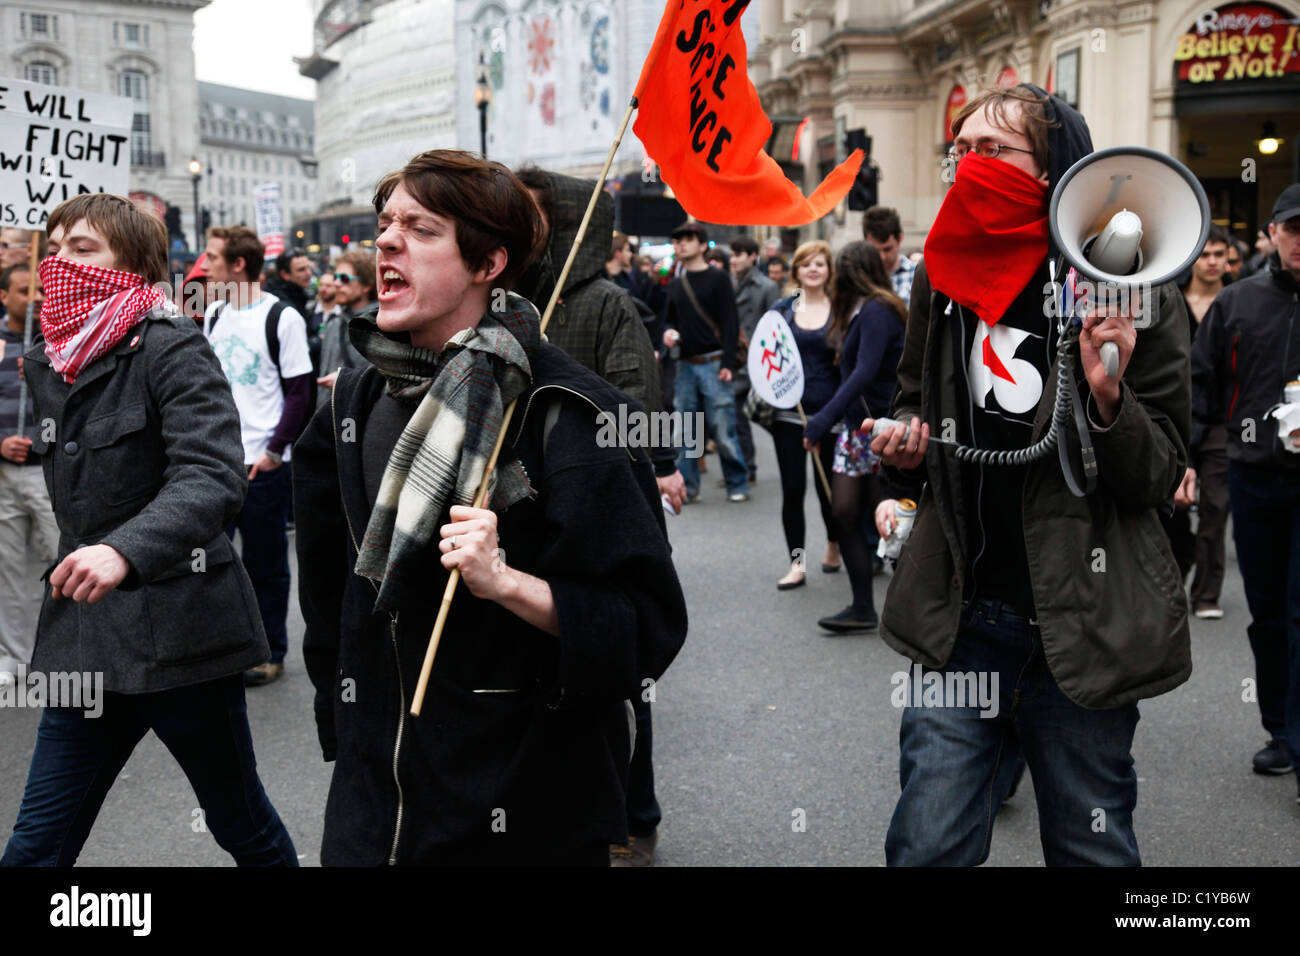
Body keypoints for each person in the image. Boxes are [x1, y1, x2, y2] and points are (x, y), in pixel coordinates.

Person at [293, 148, 687, 865]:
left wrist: (506, 583)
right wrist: (347, 722)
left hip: (523, 807)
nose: (386, 240)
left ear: (488, 264)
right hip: (373, 807)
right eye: (385, 224)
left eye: (420, 228)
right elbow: (330, 596)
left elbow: (646, 628)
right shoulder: (351, 401)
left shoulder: (574, 413)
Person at [872, 84, 1191, 866]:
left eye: (993, 152)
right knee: (926, 847)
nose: (970, 165)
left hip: (1082, 627)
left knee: (1092, 850)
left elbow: (1163, 470)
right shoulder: (940, 275)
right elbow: (916, 394)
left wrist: (1109, 394)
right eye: (962, 151)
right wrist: (906, 452)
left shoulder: (1132, 280)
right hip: (962, 618)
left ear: (1054, 171)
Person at [2, 194, 297, 866]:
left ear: (132, 265)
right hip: (84, 639)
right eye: (55, 248)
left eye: (84, 249)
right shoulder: (54, 355)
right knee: (36, 845)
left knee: (239, 823)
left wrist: (123, 551)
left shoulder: (170, 344)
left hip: (180, 638)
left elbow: (210, 476)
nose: (59, 263)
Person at [1192, 183, 1300, 792]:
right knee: (1266, 613)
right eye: (1293, 229)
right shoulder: (1237, 303)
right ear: (1274, 236)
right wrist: (1184, 459)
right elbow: (1201, 387)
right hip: (1255, 473)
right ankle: (1281, 729)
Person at [203, 226, 315, 687]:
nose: (203, 267)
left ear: (238, 266)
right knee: (208, 561)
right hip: (214, 463)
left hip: (262, 466)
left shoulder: (281, 317)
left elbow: (300, 392)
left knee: (266, 565)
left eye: (212, 258)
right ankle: (222, 647)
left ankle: (269, 652)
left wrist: (272, 451)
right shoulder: (211, 313)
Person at [803, 242, 906, 631]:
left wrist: (819, 420)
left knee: (891, 522)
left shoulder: (878, 311)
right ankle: (863, 607)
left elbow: (863, 373)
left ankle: (913, 611)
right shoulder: (864, 310)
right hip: (856, 431)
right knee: (845, 513)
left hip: (879, 431)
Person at [762, 241, 840, 591]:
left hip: (832, 414)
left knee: (831, 493)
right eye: (806, 264)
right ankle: (797, 563)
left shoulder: (842, 310)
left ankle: (834, 544)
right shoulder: (782, 310)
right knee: (793, 491)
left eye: (820, 264)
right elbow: (766, 357)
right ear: (796, 270)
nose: (813, 269)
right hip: (790, 416)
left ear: (828, 271)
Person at [662, 221, 749, 503]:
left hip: (714, 362)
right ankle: (688, 486)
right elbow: (669, 319)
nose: (680, 244)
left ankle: (737, 482)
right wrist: (668, 332)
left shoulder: (719, 278)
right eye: (677, 241)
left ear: (702, 245)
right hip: (685, 364)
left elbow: (729, 322)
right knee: (686, 429)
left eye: (686, 239)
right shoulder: (676, 283)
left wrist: (727, 363)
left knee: (722, 426)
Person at [0, 264, 56, 686]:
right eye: (23, 291)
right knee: (10, 570)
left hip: (48, 473)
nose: (33, 297)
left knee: (62, 562)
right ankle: (14, 658)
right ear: (4, 297)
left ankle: (67, 648)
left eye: (39, 289)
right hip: (5, 475)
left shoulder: (58, 338)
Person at [1179, 225, 1232, 619]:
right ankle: (1171, 582)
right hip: (1175, 415)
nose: (1212, 262)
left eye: (1220, 254)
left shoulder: (1238, 301)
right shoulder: (1171, 298)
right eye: (1206, 254)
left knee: (1215, 505)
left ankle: (1206, 594)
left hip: (1221, 421)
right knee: (1172, 507)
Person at [730, 235, 780, 485]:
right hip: (737, 360)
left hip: (758, 360)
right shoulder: (728, 282)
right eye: (732, 255)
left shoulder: (767, 287)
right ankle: (746, 466)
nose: (733, 260)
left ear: (752, 257)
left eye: (738, 255)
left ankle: (788, 441)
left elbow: (775, 325)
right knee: (739, 416)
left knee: (762, 414)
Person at [315, 251, 376, 408]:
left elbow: (383, 382)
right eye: (336, 278)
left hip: (358, 420)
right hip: (328, 421)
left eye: (344, 279)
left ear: (366, 285)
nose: (336, 284)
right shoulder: (333, 325)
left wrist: (345, 381)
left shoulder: (380, 327)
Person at [862, 205, 918, 306]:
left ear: (899, 239)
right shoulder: (861, 277)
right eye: (875, 250)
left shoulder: (916, 275)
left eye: (887, 249)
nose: (882, 257)